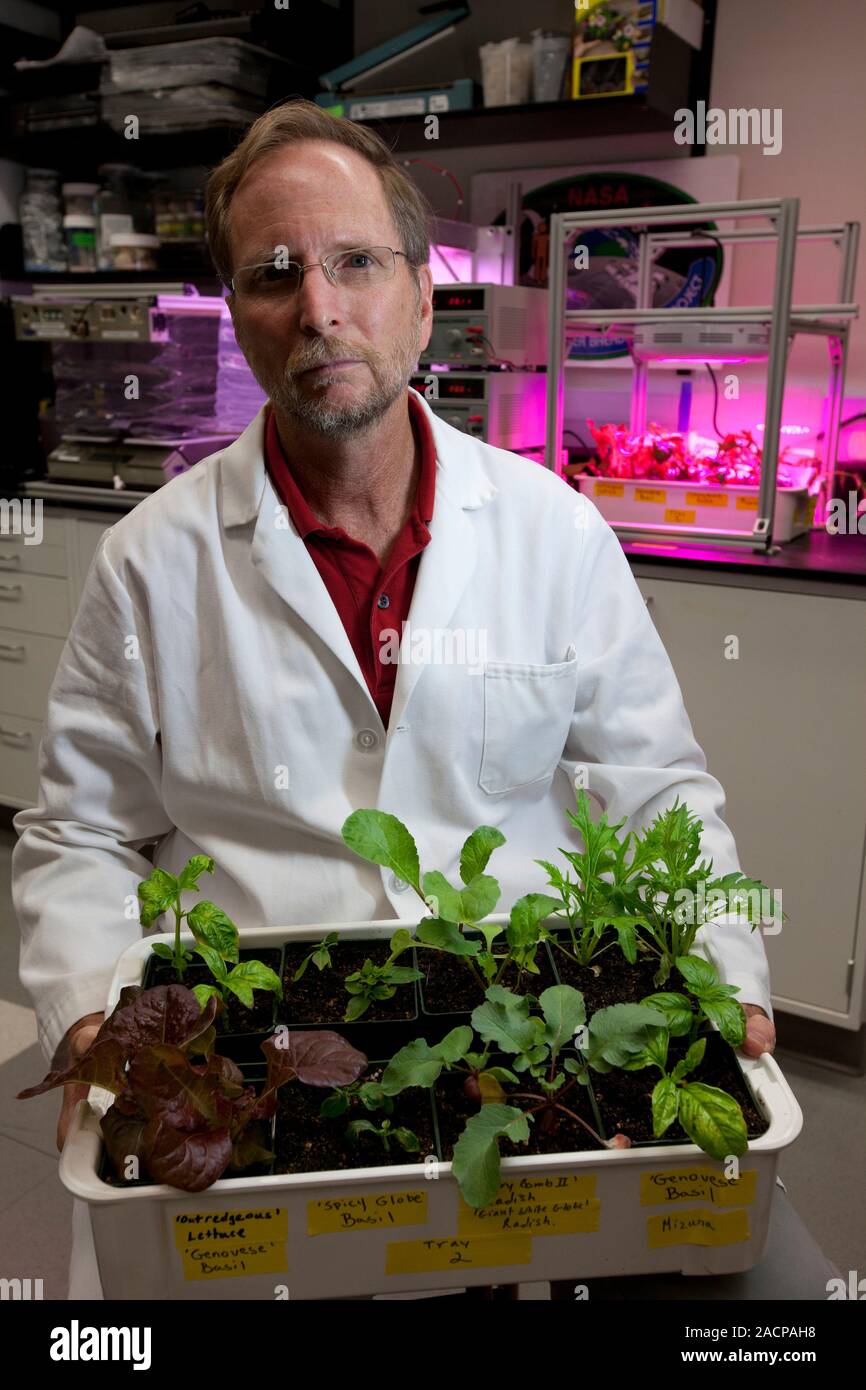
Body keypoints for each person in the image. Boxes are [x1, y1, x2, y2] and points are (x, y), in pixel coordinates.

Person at [12, 99, 774, 1299]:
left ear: (421, 297)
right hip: (256, 1046)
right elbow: (78, 834)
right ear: (239, 319)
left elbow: (655, 789)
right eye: (273, 275)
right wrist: (83, 1013)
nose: (319, 308)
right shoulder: (153, 558)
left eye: (355, 263)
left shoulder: (551, 536)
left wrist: (724, 969)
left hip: (510, 1040)